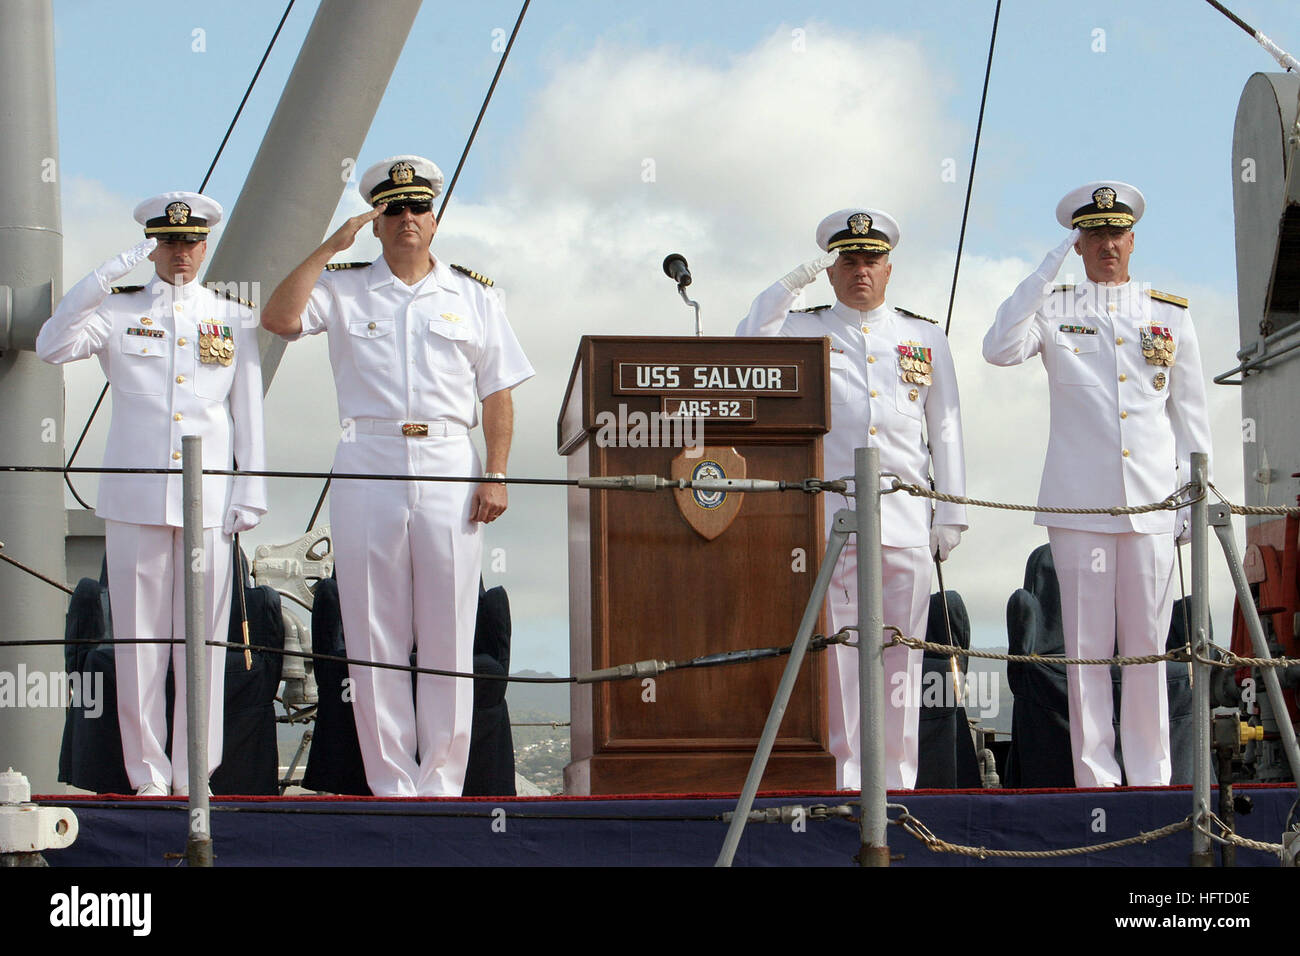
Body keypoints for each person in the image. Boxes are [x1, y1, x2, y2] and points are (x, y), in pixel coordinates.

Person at [261, 155, 534, 796]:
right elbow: (278, 318)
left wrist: (495, 473)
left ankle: (441, 780)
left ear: (435, 221)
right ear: (376, 221)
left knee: (447, 626)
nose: (407, 218)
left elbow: (498, 393)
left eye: (418, 208)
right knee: (372, 625)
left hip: (448, 457)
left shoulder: (474, 295)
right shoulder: (343, 285)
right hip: (368, 457)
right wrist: (330, 245)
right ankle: (389, 782)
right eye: (394, 209)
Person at [982, 181, 1213, 787]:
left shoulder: (1170, 315)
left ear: (1132, 241)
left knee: (1148, 649)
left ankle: (1153, 775)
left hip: (1152, 503)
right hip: (1080, 504)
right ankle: (1094, 775)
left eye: (1116, 234)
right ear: (1077, 245)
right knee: (1085, 649)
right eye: (1093, 236)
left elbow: (1190, 416)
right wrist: (1041, 272)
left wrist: (1193, 500)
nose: (1107, 244)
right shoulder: (1054, 307)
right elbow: (999, 348)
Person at [36, 191, 267, 796]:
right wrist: (105, 274)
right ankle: (146, 775)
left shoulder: (233, 315)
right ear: (152, 246)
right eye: (168, 241)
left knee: (206, 641)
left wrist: (252, 490)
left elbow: (249, 413)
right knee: (138, 644)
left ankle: (197, 773)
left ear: (206, 243)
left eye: (190, 241)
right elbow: (52, 344)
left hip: (210, 498)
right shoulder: (116, 310)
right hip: (136, 497)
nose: (181, 253)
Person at [737, 208, 968, 790]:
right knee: (840, 654)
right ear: (832, 269)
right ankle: (847, 778)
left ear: (889, 267)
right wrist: (795, 280)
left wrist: (951, 512)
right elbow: (748, 341)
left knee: (901, 657)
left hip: (907, 518)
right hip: (833, 519)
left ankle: (897, 781)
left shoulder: (923, 336)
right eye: (847, 260)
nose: (860, 270)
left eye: (870, 259)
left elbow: (945, 430)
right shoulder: (805, 327)